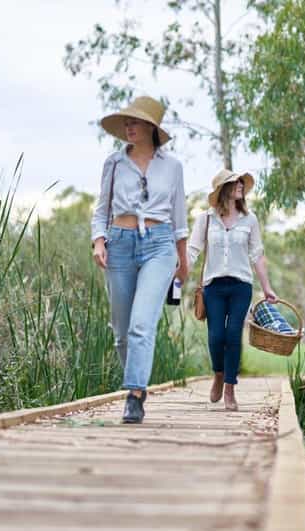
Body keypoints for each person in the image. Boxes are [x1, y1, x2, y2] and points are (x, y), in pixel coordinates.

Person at [91, 96, 189, 424]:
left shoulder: (172, 166)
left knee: (141, 325)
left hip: (160, 246)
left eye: (134, 122)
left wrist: (183, 259)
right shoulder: (114, 163)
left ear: (151, 127)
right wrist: (98, 240)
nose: (128, 127)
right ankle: (137, 381)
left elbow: (179, 216)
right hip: (119, 244)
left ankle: (134, 395)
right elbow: (101, 208)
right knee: (121, 332)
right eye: (126, 123)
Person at [188, 170, 277, 411]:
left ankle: (229, 388)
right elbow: (193, 250)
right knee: (216, 336)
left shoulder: (250, 220)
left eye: (241, 182)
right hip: (213, 287)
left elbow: (257, 255)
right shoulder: (206, 219)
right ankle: (218, 373)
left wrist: (267, 288)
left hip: (241, 286)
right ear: (223, 189)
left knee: (233, 334)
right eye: (235, 182)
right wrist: (178, 270)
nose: (240, 185)